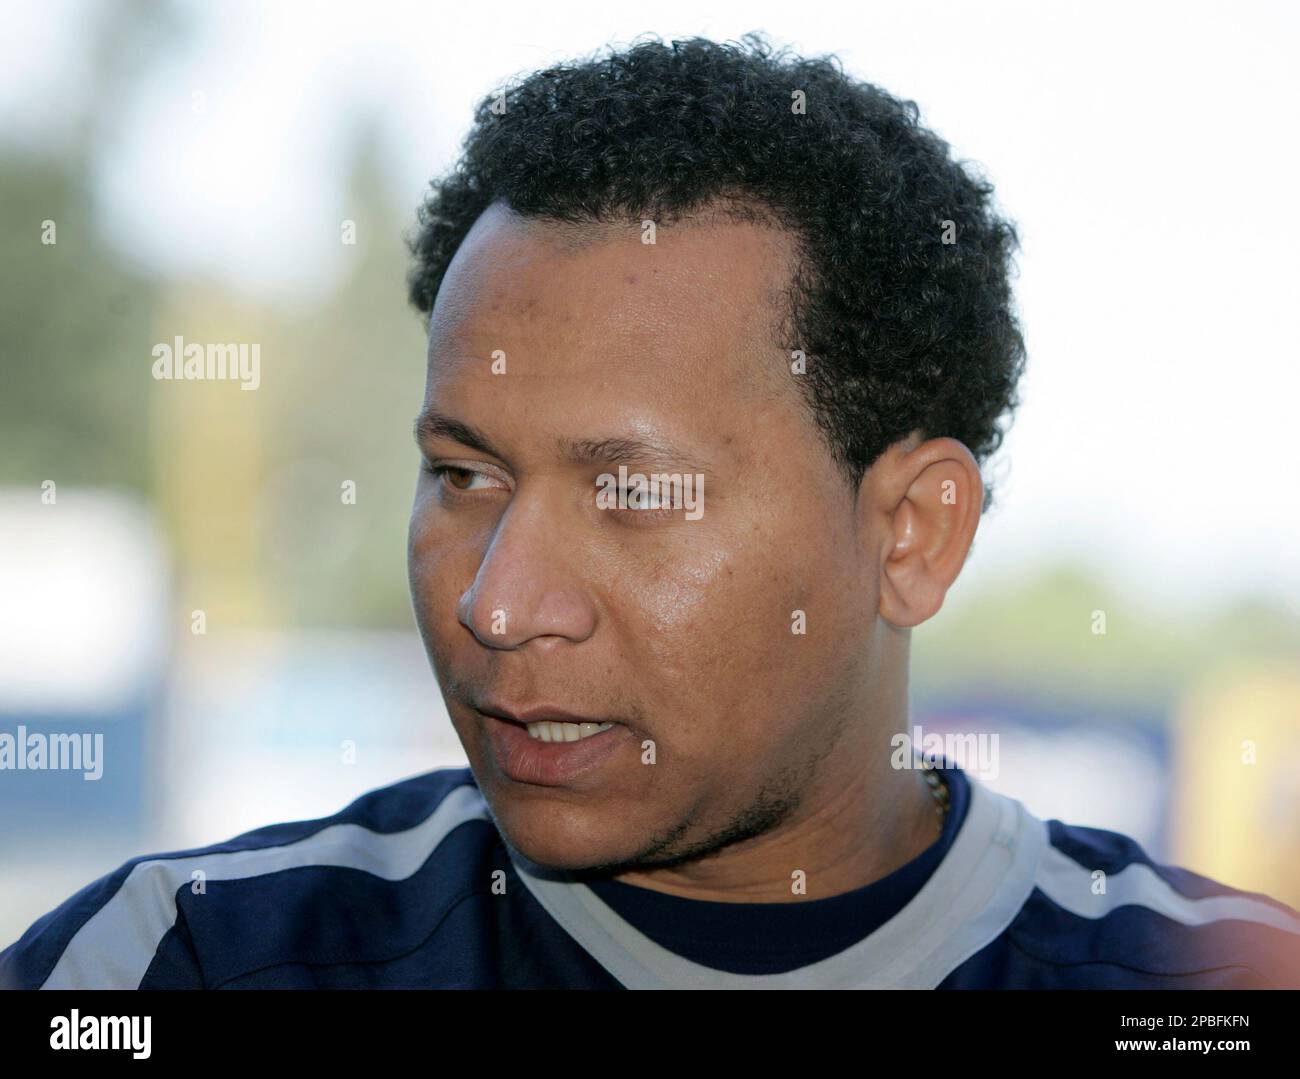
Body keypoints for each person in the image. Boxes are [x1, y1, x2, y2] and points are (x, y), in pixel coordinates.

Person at [4, 33, 1297, 990]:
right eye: (465, 476)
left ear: (912, 533)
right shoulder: (167, 969)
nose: (496, 602)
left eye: (633, 492)